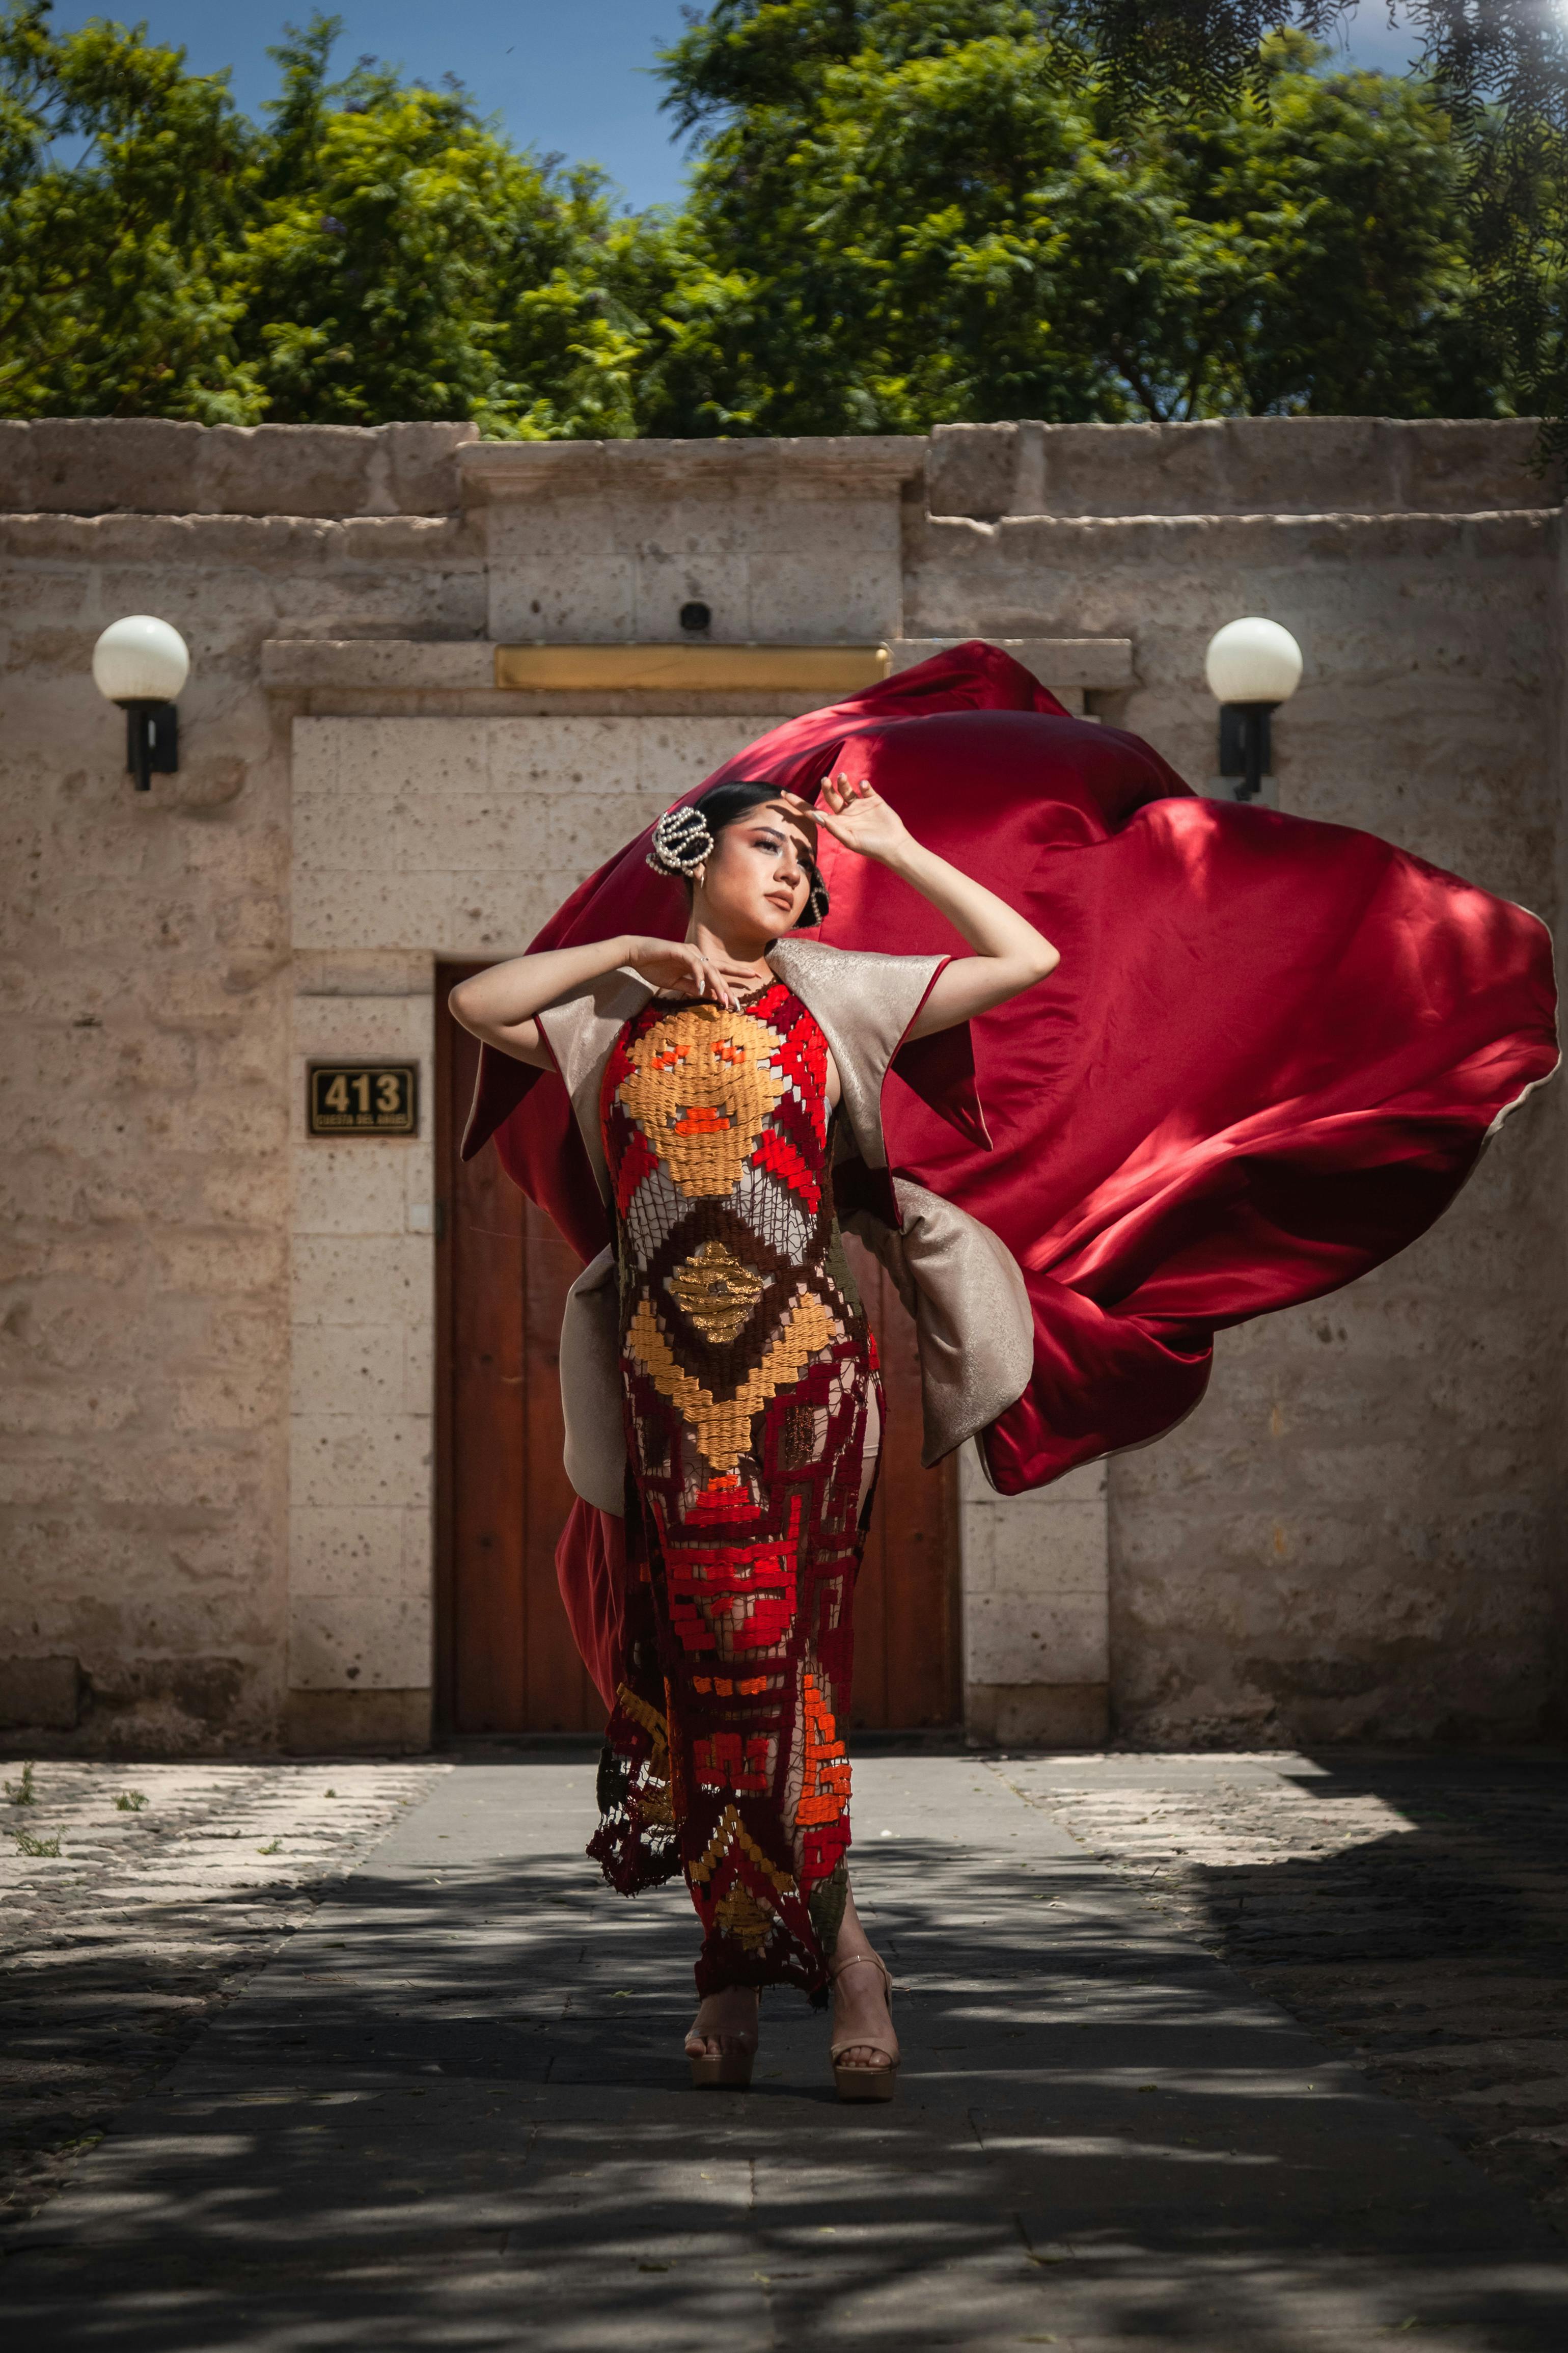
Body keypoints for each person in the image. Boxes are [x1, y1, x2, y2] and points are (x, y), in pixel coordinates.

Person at [450, 770, 1060, 2100]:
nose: (795, 871)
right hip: (667, 1395)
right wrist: (625, 950)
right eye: (766, 846)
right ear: (694, 854)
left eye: (806, 858)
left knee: (772, 1681)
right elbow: (472, 1004)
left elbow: (1027, 956)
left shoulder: (837, 990)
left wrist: (897, 841)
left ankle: (826, 1967)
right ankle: (747, 1961)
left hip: (807, 1391)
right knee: (698, 1682)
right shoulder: (611, 1017)